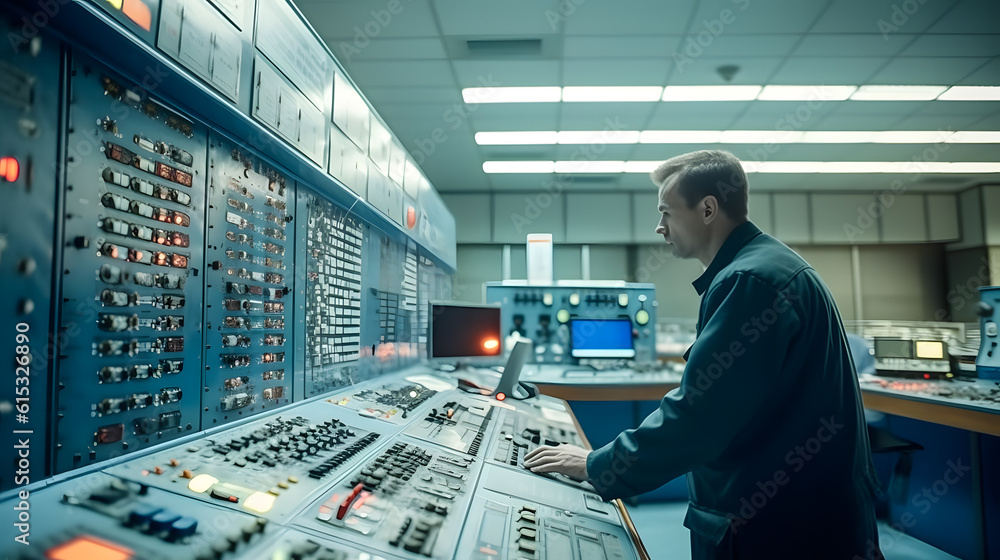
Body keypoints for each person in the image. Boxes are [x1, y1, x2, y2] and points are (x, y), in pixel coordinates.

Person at [523, 150, 884, 559]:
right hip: (804, 512)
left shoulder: (749, 281)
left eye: (666, 212)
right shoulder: (768, 266)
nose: (659, 226)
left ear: (708, 209)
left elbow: (699, 416)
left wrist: (597, 465)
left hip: (777, 525)